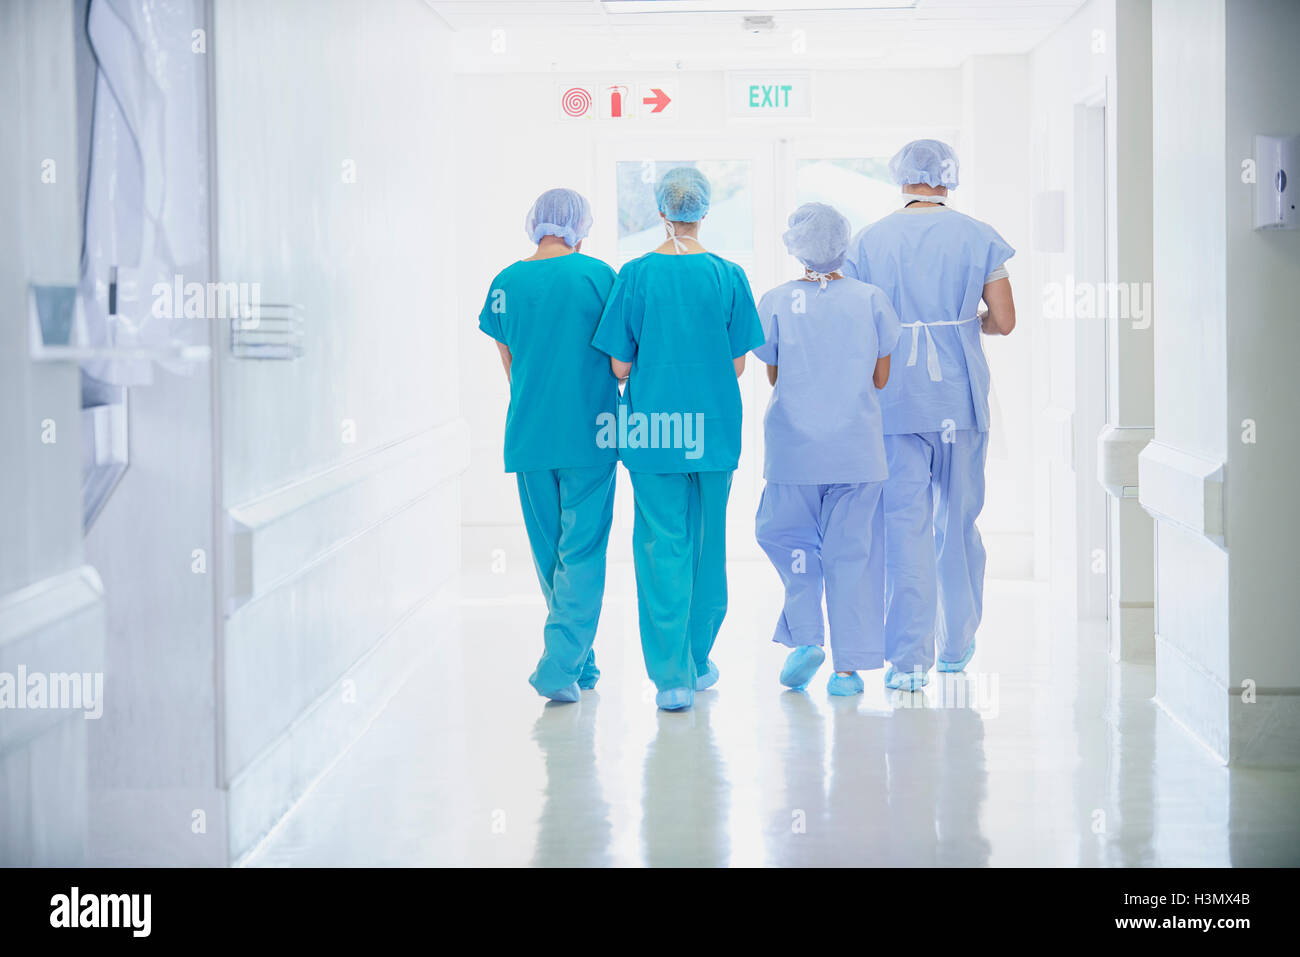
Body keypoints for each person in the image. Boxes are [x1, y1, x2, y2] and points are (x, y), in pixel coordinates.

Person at [843, 139, 1016, 691]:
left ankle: (908, 661)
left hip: (894, 398)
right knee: (958, 523)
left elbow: (858, 325)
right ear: (949, 177)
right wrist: (967, 325)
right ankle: (958, 643)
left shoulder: (869, 241)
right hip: (958, 397)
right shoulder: (979, 236)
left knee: (904, 527)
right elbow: (1005, 321)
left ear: (902, 178)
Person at [591, 167, 765, 711]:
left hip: (653, 434)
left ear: (662, 212)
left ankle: (671, 679)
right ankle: (697, 656)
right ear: (703, 213)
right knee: (709, 546)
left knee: (663, 545)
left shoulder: (636, 274)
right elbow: (737, 364)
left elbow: (619, 365)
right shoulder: (729, 275)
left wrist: (649, 366)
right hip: (713, 431)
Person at [753, 203, 901, 696]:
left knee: (791, 542)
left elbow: (774, 373)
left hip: (795, 451)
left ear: (795, 248)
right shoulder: (872, 299)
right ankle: (847, 670)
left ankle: (807, 637)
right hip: (857, 451)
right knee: (850, 554)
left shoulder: (775, 300)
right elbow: (880, 378)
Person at [478, 188, 619, 703]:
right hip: (592, 431)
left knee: (549, 552)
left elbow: (511, 363)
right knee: (581, 551)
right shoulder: (600, 276)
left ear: (535, 223)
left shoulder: (506, 283)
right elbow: (620, 360)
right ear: (580, 226)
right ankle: (562, 665)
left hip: (531, 431)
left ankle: (578, 659)